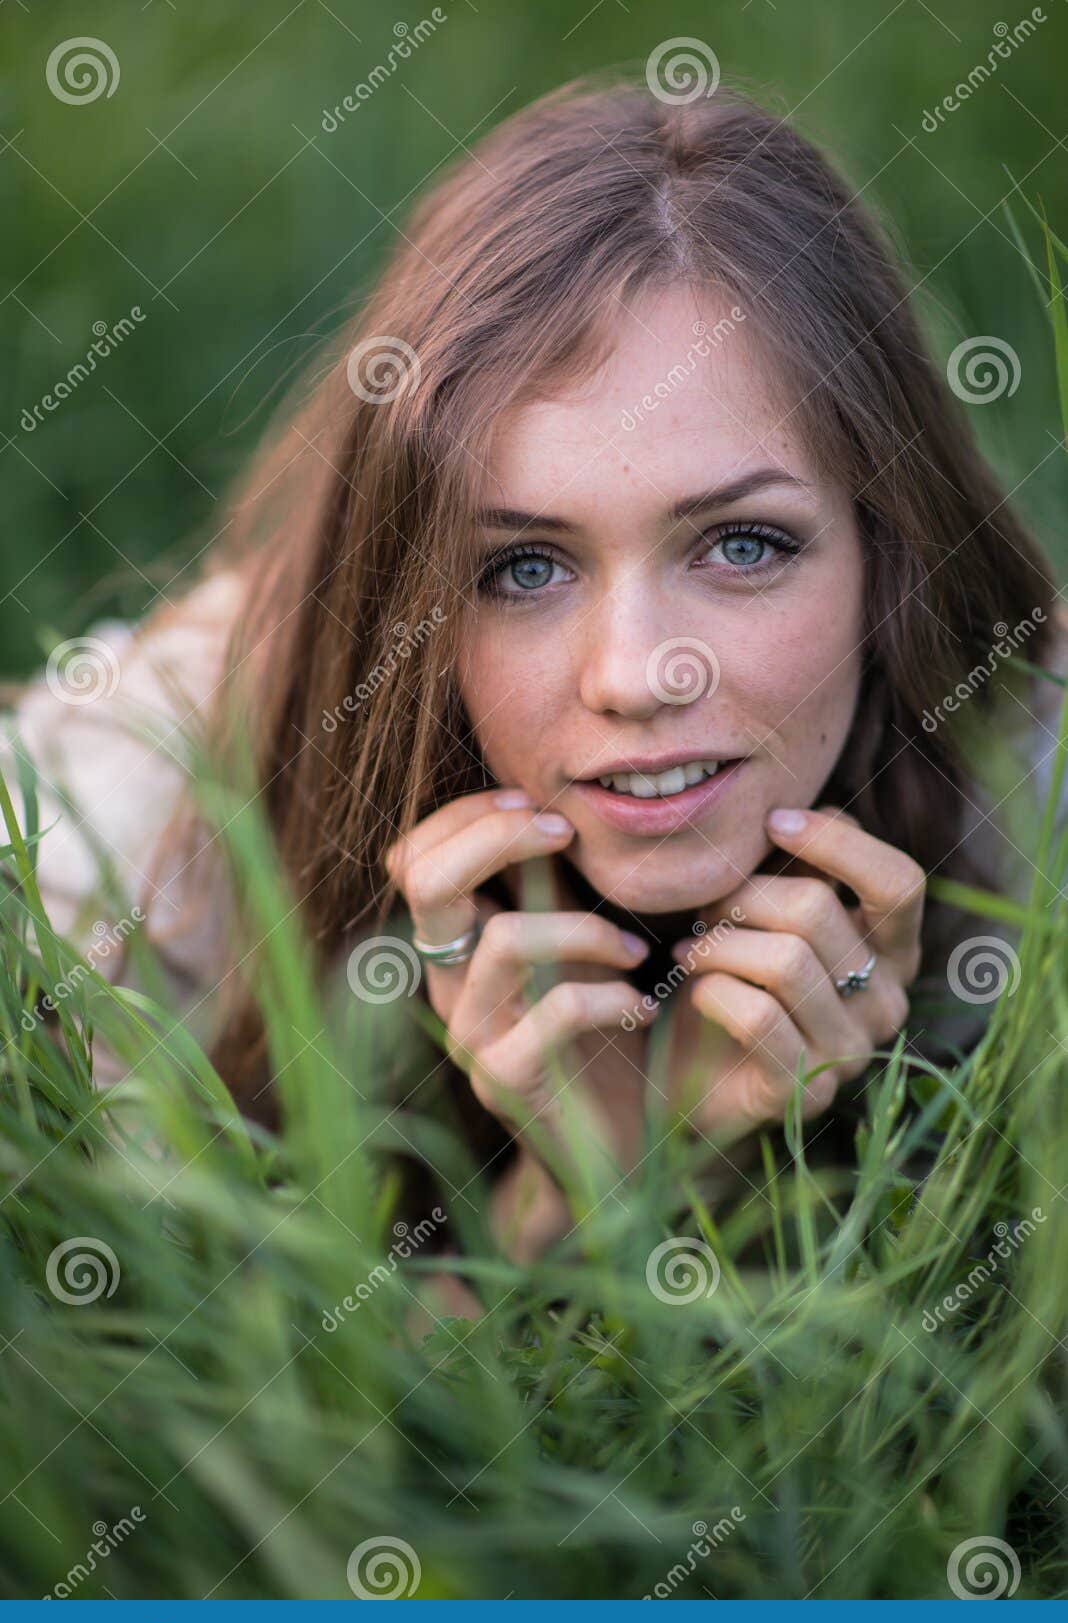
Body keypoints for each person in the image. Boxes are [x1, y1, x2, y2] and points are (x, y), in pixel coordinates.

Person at [2, 74, 1064, 1294]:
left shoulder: (1023, 784)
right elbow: (198, 1455)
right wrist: (586, 1194)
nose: (632, 676)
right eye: (522, 567)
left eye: (743, 545)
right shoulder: (124, 847)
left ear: (889, 544)